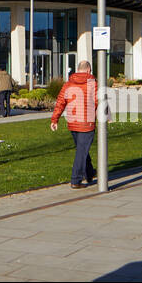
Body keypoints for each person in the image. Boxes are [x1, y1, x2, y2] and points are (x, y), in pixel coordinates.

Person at [51, 60, 97, 189]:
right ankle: (76, 180)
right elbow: (99, 100)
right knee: (81, 151)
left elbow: (61, 101)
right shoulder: (92, 83)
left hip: (73, 122)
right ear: (88, 70)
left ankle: (89, 173)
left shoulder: (68, 84)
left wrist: (55, 119)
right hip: (86, 122)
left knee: (83, 149)